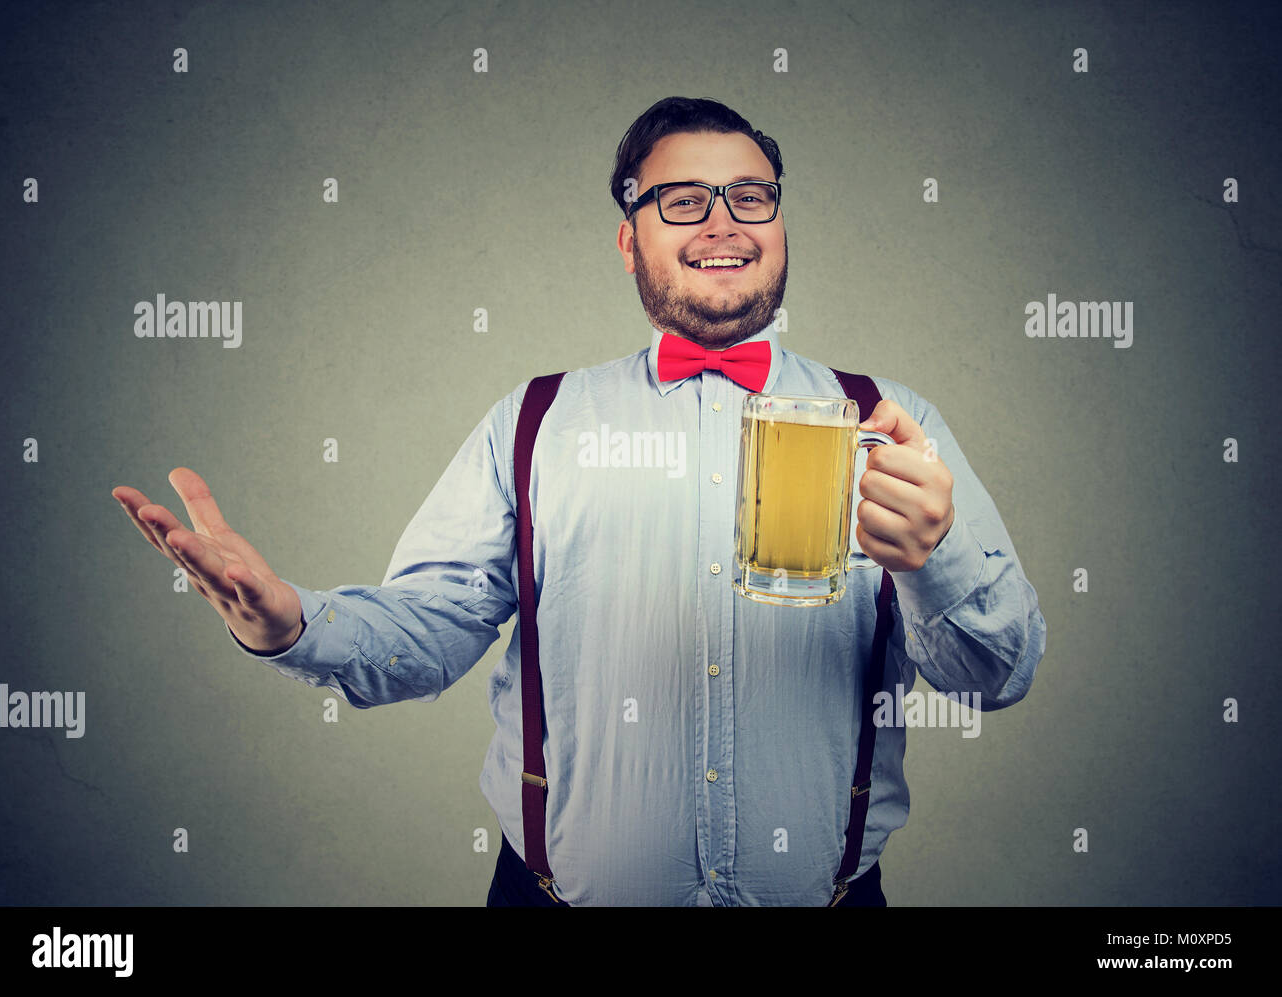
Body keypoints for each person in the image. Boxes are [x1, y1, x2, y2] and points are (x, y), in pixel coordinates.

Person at [111, 96, 1045, 907]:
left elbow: (996, 676)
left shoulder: (891, 420)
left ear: (781, 223)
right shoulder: (534, 421)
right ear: (628, 235)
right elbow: (429, 632)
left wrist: (937, 560)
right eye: (683, 201)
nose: (723, 221)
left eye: (750, 196)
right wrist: (292, 624)